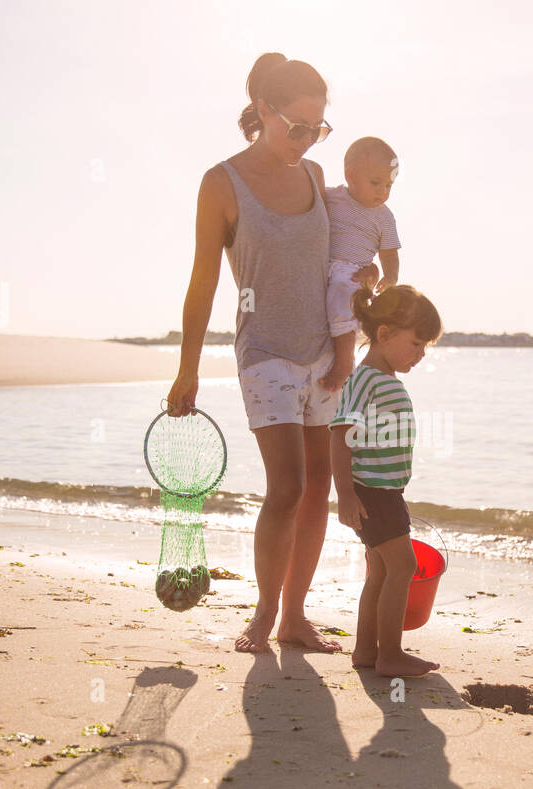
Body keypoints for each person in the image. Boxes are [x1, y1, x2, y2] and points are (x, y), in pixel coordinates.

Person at [165, 53, 376, 654]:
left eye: (319, 129)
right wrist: (187, 370)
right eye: (299, 127)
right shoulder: (221, 183)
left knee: (316, 489)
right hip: (265, 353)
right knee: (286, 486)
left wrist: (367, 273)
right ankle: (261, 615)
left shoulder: (314, 178)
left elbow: (337, 256)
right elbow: (203, 280)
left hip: (322, 354)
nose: (309, 141)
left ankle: (295, 618)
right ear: (263, 111)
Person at [330, 285, 442, 677]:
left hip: (384, 491)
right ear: (384, 335)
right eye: (415, 343)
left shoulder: (382, 379)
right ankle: (390, 654)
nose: (420, 353)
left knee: (380, 571)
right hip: (372, 493)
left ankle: (366, 650)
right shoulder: (366, 379)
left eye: (425, 346)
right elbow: (340, 435)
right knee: (402, 567)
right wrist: (343, 493)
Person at [318, 137, 402, 393]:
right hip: (323, 267)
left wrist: (390, 276)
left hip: (353, 273)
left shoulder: (384, 217)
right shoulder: (332, 197)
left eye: (389, 185)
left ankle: (345, 364)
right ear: (351, 175)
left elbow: (389, 253)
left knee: (344, 296)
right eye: (376, 183)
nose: (383, 192)